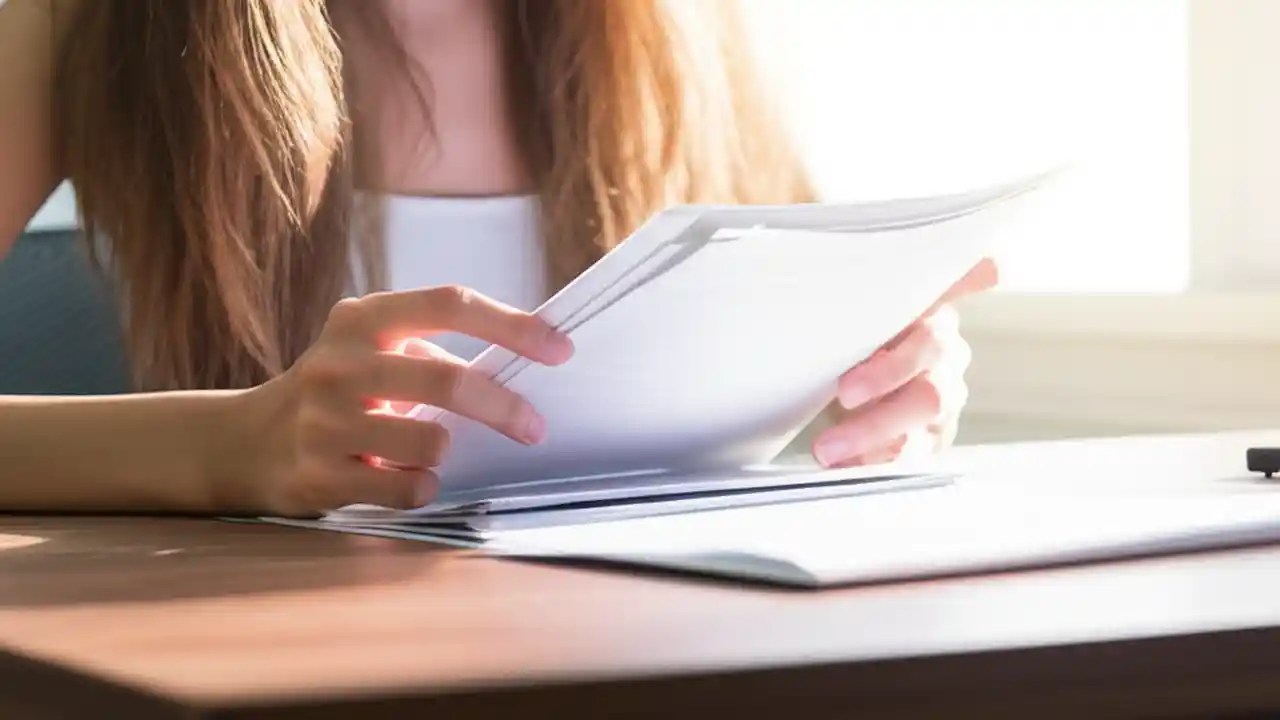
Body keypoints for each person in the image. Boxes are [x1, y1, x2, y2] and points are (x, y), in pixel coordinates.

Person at [0, 0, 994, 516]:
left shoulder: (682, 36)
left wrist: (875, 391)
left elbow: (821, 347)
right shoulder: (86, 28)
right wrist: (229, 448)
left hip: (616, 659)